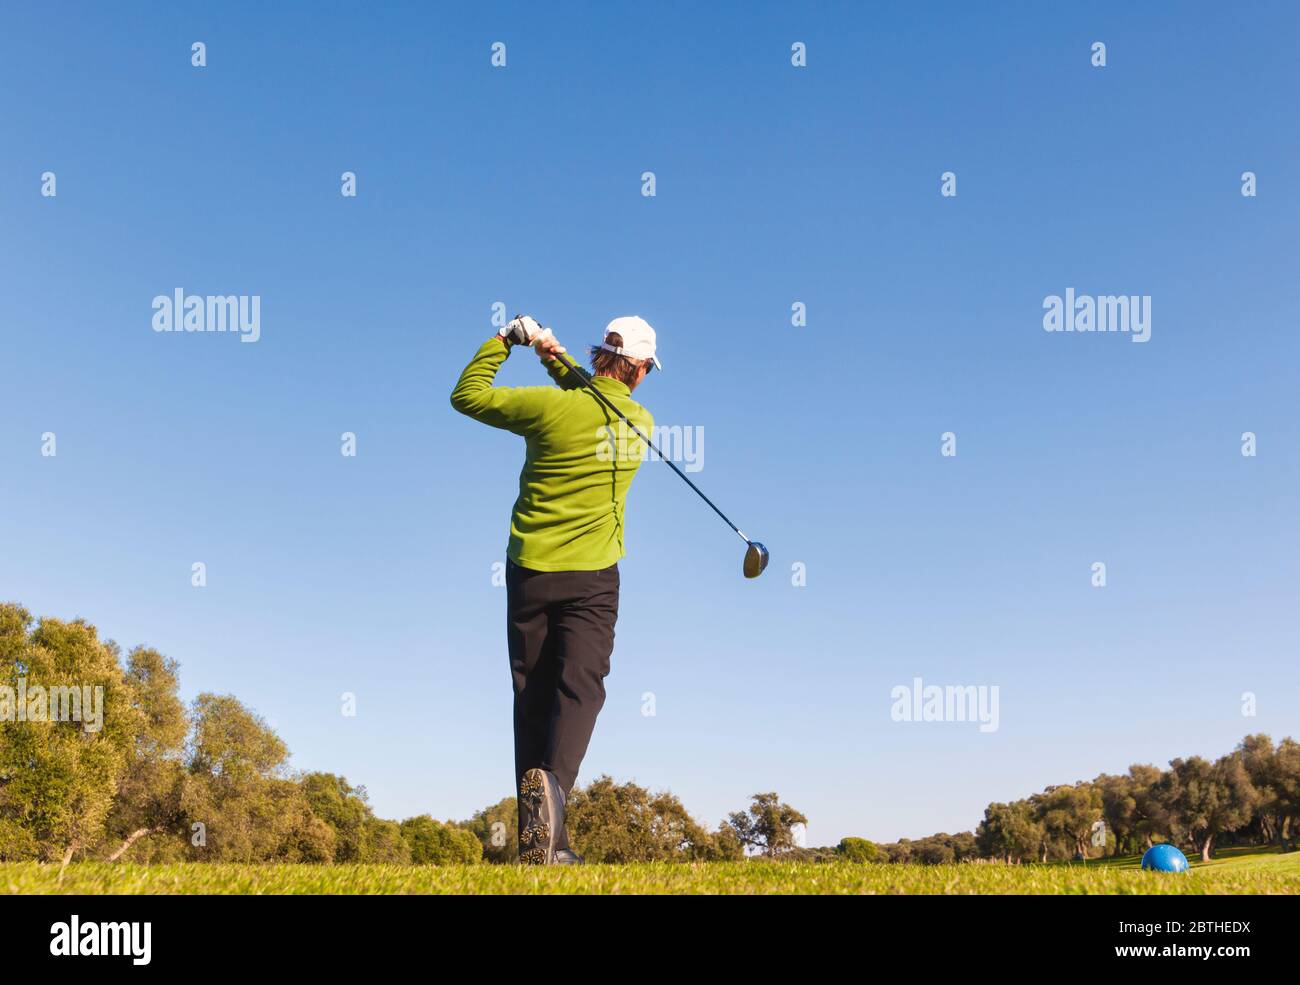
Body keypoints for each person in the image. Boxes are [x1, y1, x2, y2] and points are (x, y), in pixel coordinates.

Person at [450, 314, 660, 864]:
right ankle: (552, 817)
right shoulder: (638, 421)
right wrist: (552, 355)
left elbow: (467, 396)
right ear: (638, 370)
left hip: (528, 573)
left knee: (533, 698)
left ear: (598, 356)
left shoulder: (546, 409)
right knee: (579, 692)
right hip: (592, 579)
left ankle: (537, 842)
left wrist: (508, 343)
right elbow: (598, 399)